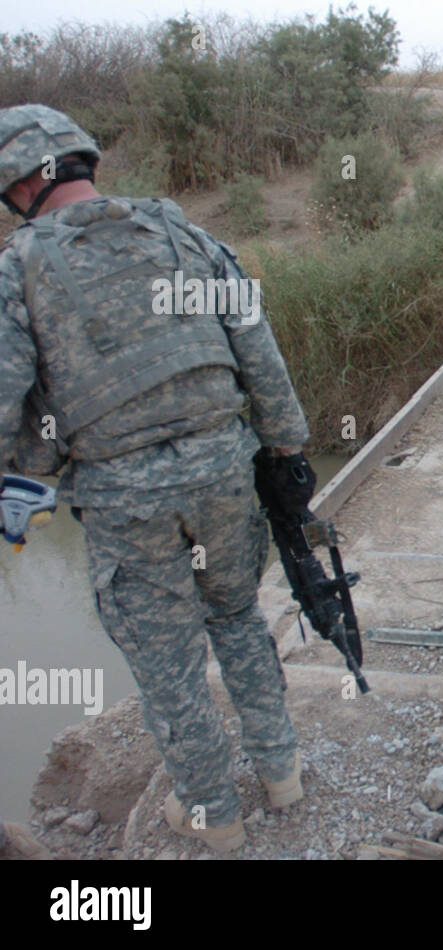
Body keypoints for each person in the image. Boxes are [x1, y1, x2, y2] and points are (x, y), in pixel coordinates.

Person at [0, 104, 310, 853]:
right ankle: (281, 777)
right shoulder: (184, 233)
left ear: (17, 187)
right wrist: (287, 452)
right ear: (84, 161)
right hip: (224, 470)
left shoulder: (19, 267)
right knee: (238, 618)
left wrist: (34, 476)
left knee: (167, 661)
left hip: (122, 496)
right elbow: (256, 348)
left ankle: (212, 811)